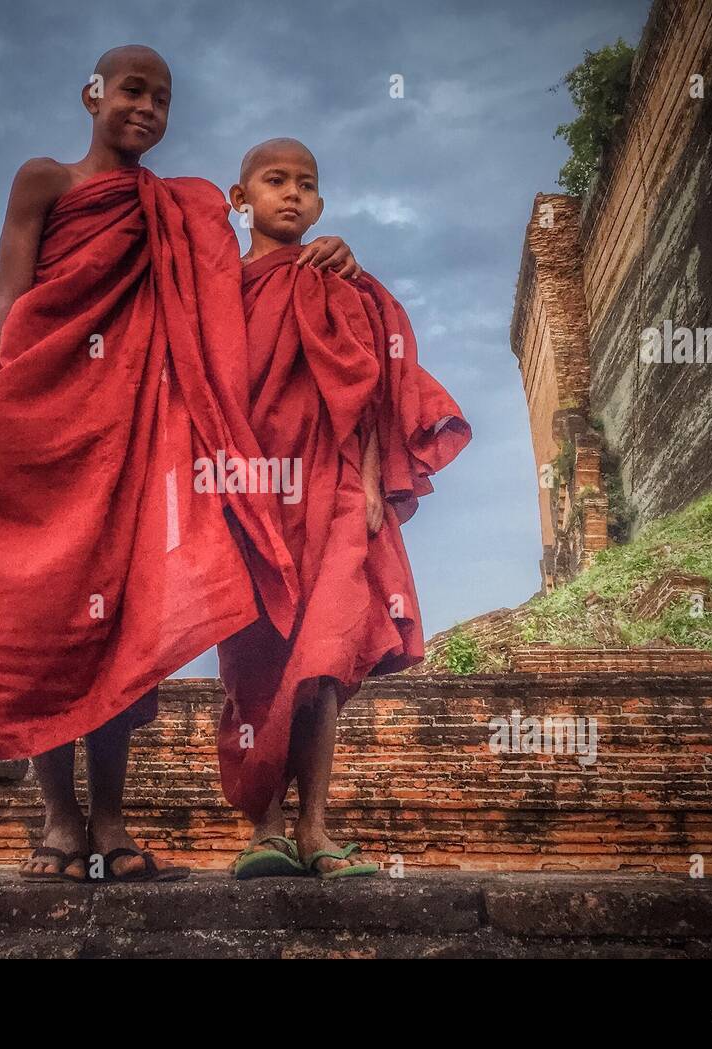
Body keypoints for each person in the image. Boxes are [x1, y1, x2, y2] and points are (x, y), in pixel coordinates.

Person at [0, 51, 356, 883]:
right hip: (34, 419)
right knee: (36, 623)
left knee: (110, 626)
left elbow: (246, 260)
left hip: (125, 439)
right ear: (92, 94)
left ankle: (110, 822)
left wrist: (332, 249)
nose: (146, 107)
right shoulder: (45, 180)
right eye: (132, 90)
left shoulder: (173, 205)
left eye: (163, 98)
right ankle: (60, 823)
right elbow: (7, 302)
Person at [218, 138, 471, 879]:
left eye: (306, 184)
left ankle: (316, 826)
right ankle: (265, 829)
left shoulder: (334, 281)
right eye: (273, 181)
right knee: (256, 662)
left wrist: (367, 485)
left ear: (321, 204)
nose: (290, 194)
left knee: (326, 659)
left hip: (330, 489)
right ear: (242, 200)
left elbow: (363, 391)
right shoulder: (222, 289)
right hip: (251, 495)